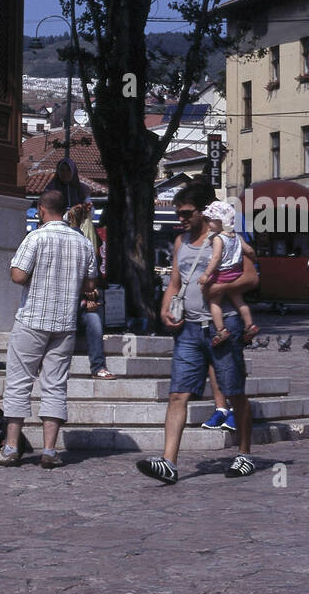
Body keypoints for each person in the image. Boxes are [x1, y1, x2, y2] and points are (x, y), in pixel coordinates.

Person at [137, 183, 258, 482]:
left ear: (204, 211)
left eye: (187, 213)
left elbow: (252, 277)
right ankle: (169, 461)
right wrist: (166, 309)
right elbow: (175, 283)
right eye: (179, 213)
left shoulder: (227, 239)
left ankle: (244, 454)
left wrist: (222, 288)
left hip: (223, 326)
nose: (182, 219)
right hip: (189, 329)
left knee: (235, 392)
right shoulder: (180, 242)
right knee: (178, 393)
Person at [0, 186, 98, 468]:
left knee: (19, 382)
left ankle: (12, 447)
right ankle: (50, 451)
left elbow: (18, 275)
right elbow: (90, 284)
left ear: (41, 210)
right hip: (64, 322)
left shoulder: (35, 237)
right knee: (55, 385)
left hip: (32, 319)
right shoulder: (83, 242)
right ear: (64, 210)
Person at [199, 199, 258, 345]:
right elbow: (249, 250)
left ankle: (221, 330)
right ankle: (250, 325)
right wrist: (254, 258)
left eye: (210, 220)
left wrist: (206, 274)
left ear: (220, 221)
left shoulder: (219, 238)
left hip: (222, 274)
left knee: (214, 302)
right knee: (239, 300)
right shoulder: (237, 236)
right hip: (235, 273)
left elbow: (216, 258)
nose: (208, 223)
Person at [70, 203, 113, 379]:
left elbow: (93, 286)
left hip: (82, 305)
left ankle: (98, 366)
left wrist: (91, 296)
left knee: (95, 321)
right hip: (65, 305)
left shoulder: (87, 249)